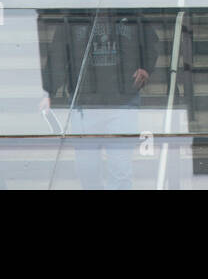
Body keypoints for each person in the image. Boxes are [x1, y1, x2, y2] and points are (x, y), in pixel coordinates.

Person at [37, 10, 161, 190]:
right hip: (84, 104)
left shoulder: (131, 15)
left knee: (120, 169)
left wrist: (146, 68)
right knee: (87, 169)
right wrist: (48, 91)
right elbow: (58, 55)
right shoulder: (72, 19)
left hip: (123, 102)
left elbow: (151, 44)